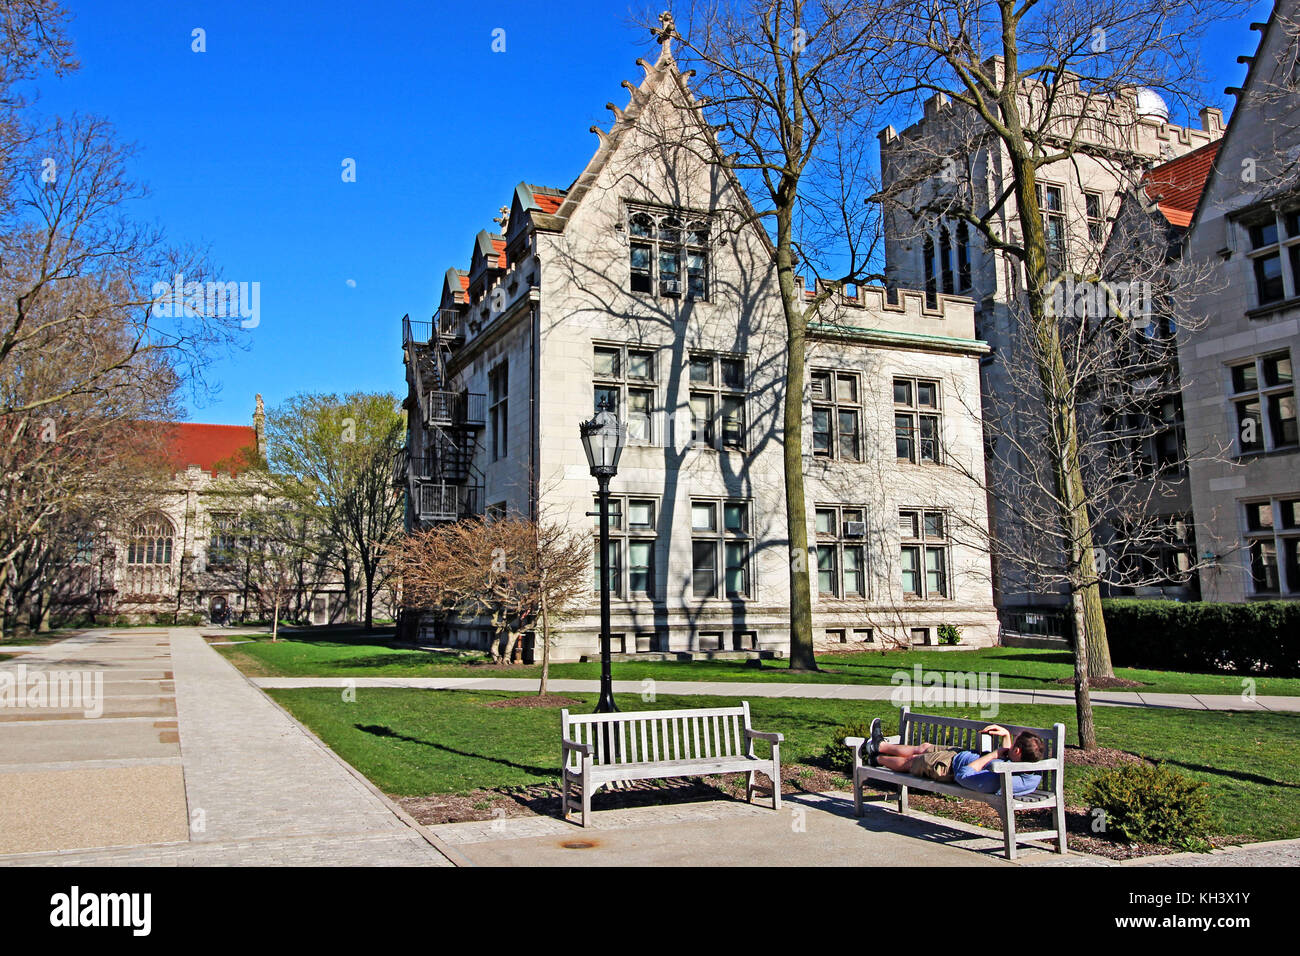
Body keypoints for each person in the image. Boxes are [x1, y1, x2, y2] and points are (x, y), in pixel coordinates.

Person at [865, 723, 1046, 797]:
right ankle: (879, 746)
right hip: (957, 755)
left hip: (948, 768)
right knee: (924, 747)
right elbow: (1008, 757)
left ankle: (877, 759)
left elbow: (963, 775)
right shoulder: (1028, 769)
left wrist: (993, 754)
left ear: (1018, 750)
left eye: (1013, 744)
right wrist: (1006, 735)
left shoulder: (1000, 781)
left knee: (912, 762)